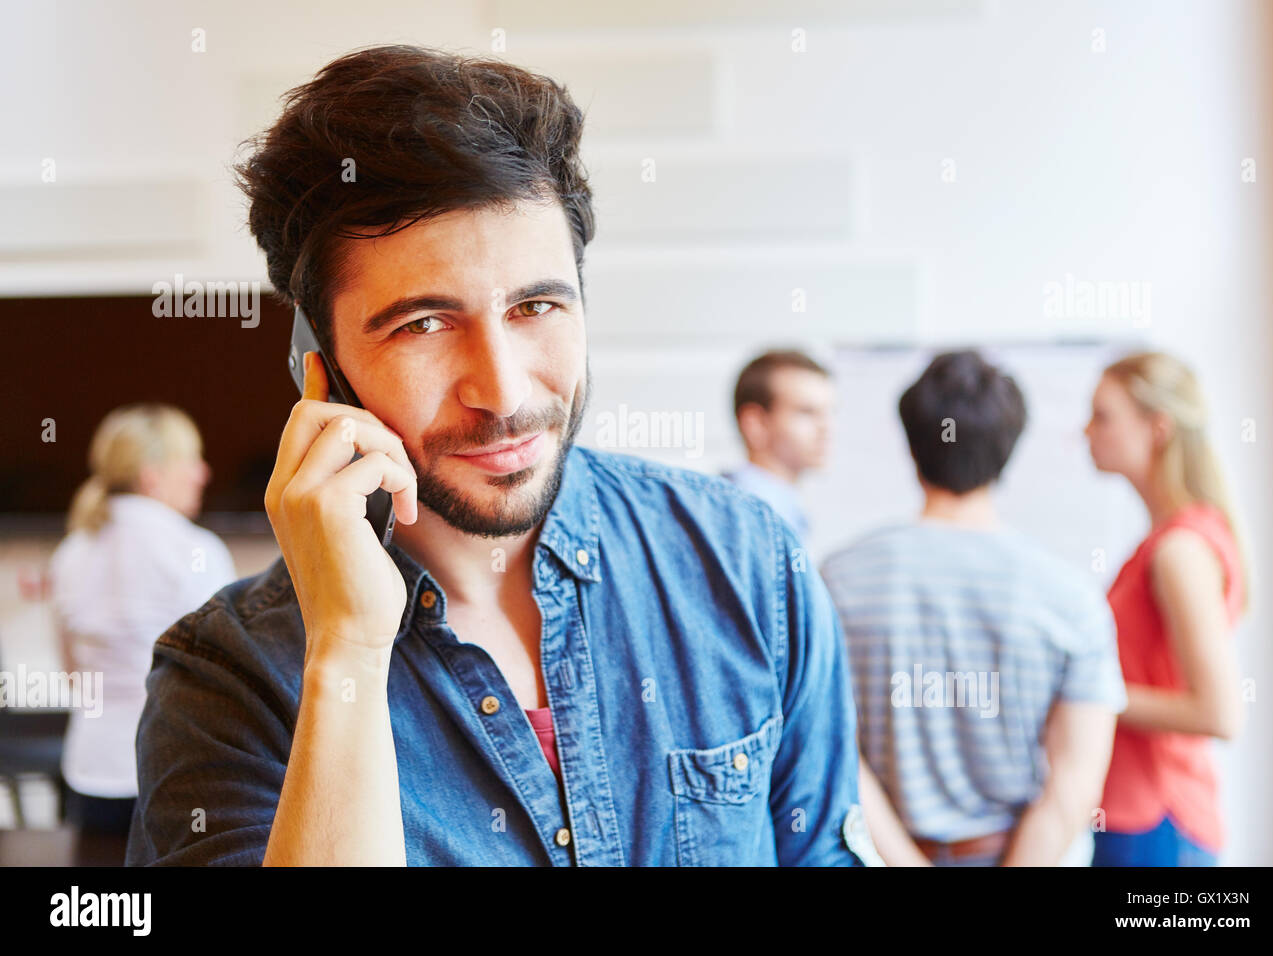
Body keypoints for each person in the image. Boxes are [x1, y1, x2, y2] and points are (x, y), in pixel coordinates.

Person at [125, 45, 867, 867]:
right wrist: (348, 650)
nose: (504, 392)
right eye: (424, 325)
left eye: (537, 305)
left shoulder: (746, 562)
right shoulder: (226, 681)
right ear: (319, 368)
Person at [820, 350, 1127, 866]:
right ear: (1008, 449)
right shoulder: (1069, 596)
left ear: (913, 445)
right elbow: (1074, 784)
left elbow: (835, 754)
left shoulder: (839, 579)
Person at [47, 404, 235, 860]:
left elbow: (71, 671)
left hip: (91, 768)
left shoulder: (71, 550)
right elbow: (228, 676)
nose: (202, 472)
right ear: (152, 476)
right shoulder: (196, 550)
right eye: (190, 460)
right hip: (173, 772)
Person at [1083, 351, 1247, 867]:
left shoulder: (1180, 551)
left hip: (1155, 822)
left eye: (1103, 415)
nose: (1087, 431)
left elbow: (1219, 713)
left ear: (1157, 427)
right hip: (1144, 820)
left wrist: (1090, 693)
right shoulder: (1168, 540)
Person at [722, 349, 834, 544]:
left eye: (828, 413)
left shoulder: (782, 509)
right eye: (806, 412)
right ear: (755, 424)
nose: (826, 428)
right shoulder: (747, 516)